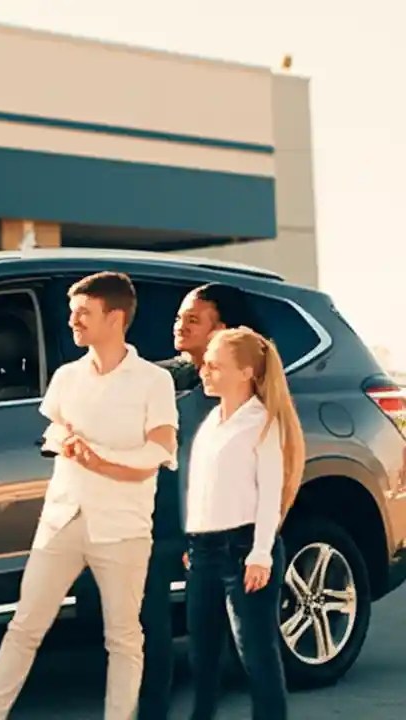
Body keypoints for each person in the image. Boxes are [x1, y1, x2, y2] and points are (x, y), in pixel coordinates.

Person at [0, 272, 179, 720]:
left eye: (83, 313)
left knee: (123, 637)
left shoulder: (152, 381)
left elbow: (160, 450)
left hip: (123, 527)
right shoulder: (67, 376)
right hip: (61, 520)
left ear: (116, 317)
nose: (73, 321)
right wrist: (65, 438)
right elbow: (52, 427)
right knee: (25, 624)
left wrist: (99, 459)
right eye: (73, 313)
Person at [139, 282, 264, 720]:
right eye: (179, 317)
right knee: (149, 640)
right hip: (155, 529)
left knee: (233, 643)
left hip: (214, 534)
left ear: (224, 330)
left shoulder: (248, 393)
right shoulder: (158, 377)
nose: (180, 325)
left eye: (193, 319)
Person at [182, 326, 303, 719]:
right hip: (203, 551)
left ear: (246, 372)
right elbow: (204, 488)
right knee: (202, 658)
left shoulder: (262, 423)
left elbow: (270, 494)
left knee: (256, 654)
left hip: (244, 550)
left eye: (216, 366)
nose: (205, 371)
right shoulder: (212, 421)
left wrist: (261, 554)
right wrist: (194, 540)